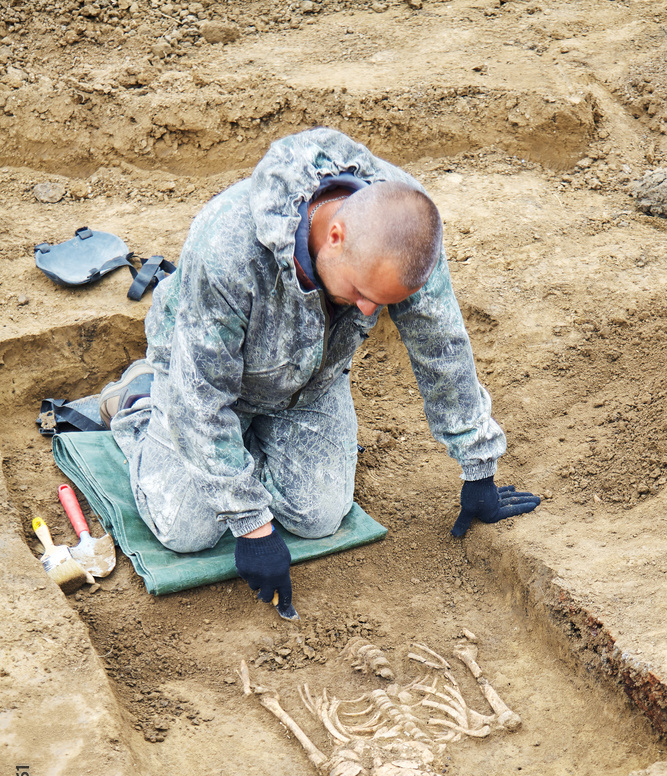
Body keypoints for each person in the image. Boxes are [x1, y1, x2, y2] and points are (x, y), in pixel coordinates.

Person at [99, 127, 540, 618]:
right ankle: (140, 403)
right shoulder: (228, 247)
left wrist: (478, 466)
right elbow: (200, 397)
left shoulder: (407, 228)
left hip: (309, 383)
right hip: (206, 380)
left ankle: (245, 445)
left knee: (319, 516)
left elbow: (441, 345)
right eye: (360, 293)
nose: (369, 311)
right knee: (188, 530)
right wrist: (251, 524)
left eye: (380, 302)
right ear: (335, 237)